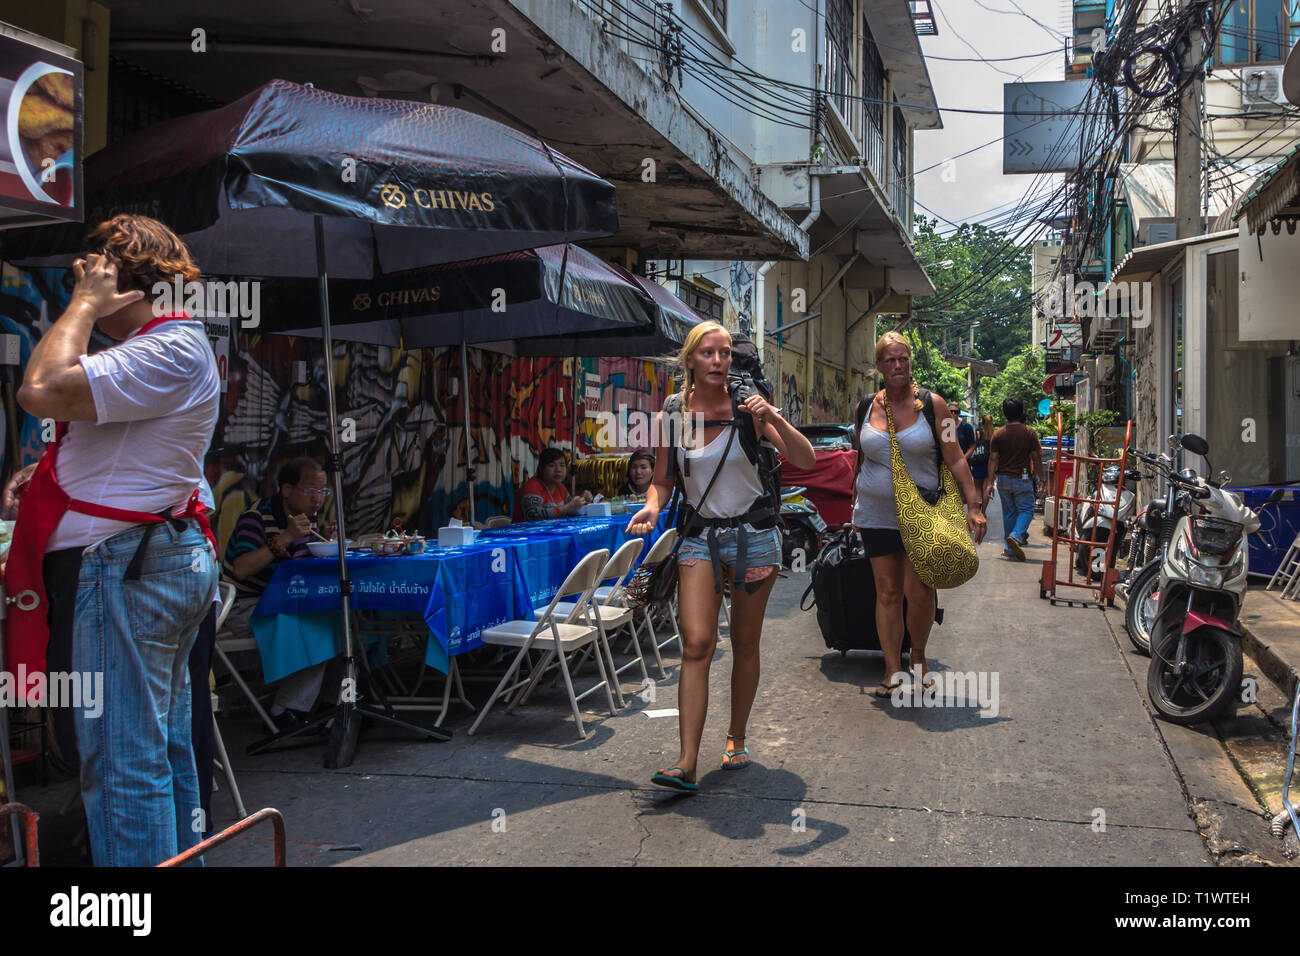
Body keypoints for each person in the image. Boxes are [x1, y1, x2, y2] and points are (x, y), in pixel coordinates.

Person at [7, 214, 220, 866]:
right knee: (162, 747)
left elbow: (39, 389)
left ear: (123, 285)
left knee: (124, 759)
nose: (81, 284)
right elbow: (115, 447)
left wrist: (80, 304)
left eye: (92, 273)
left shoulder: (170, 346)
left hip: (125, 566)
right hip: (143, 562)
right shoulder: (159, 350)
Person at [626, 321, 815, 791]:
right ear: (690, 359)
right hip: (699, 537)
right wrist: (651, 507)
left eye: (725, 353)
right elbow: (664, 479)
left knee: (746, 644)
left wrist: (773, 415)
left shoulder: (749, 410)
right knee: (696, 644)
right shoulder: (674, 412)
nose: (718, 361)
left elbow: (806, 458)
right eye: (708, 353)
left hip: (754, 535)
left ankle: (736, 736)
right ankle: (686, 761)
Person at [852, 332, 987, 697]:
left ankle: (919, 656)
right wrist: (854, 506)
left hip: (924, 514)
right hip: (876, 514)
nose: (898, 367)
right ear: (879, 367)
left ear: (910, 363)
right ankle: (892, 668)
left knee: (921, 589)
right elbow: (860, 459)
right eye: (890, 361)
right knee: (888, 593)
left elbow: (955, 455)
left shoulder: (934, 406)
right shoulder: (865, 408)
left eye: (903, 360)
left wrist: (972, 506)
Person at [222, 457, 335, 726]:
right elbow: (241, 569)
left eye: (323, 491)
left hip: (284, 600)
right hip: (244, 605)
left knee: (339, 619)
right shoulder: (256, 517)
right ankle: (285, 711)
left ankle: (327, 705)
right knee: (315, 628)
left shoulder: (309, 521)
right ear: (287, 490)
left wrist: (326, 544)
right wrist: (284, 538)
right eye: (310, 490)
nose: (317, 499)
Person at [985, 396, 1043, 562]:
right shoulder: (1029, 432)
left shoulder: (998, 434)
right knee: (1027, 509)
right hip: (1022, 478)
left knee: (1009, 514)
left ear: (1005, 413)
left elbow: (993, 459)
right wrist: (1042, 477)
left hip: (1002, 480)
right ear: (1021, 411)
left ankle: (1009, 548)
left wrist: (990, 483)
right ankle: (1016, 536)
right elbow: (1036, 457)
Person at [513, 448, 592, 522]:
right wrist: (568, 507)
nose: (558, 470)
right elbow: (533, 515)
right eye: (551, 465)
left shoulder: (560, 487)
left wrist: (583, 500)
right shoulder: (531, 487)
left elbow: (572, 507)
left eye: (562, 465)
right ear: (541, 468)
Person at [968, 414, 995, 508]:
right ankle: (983, 512)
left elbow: (973, 446)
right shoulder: (994, 434)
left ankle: (977, 510)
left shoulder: (978, 432)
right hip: (990, 464)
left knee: (977, 488)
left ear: (982, 422)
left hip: (978, 463)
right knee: (986, 488)